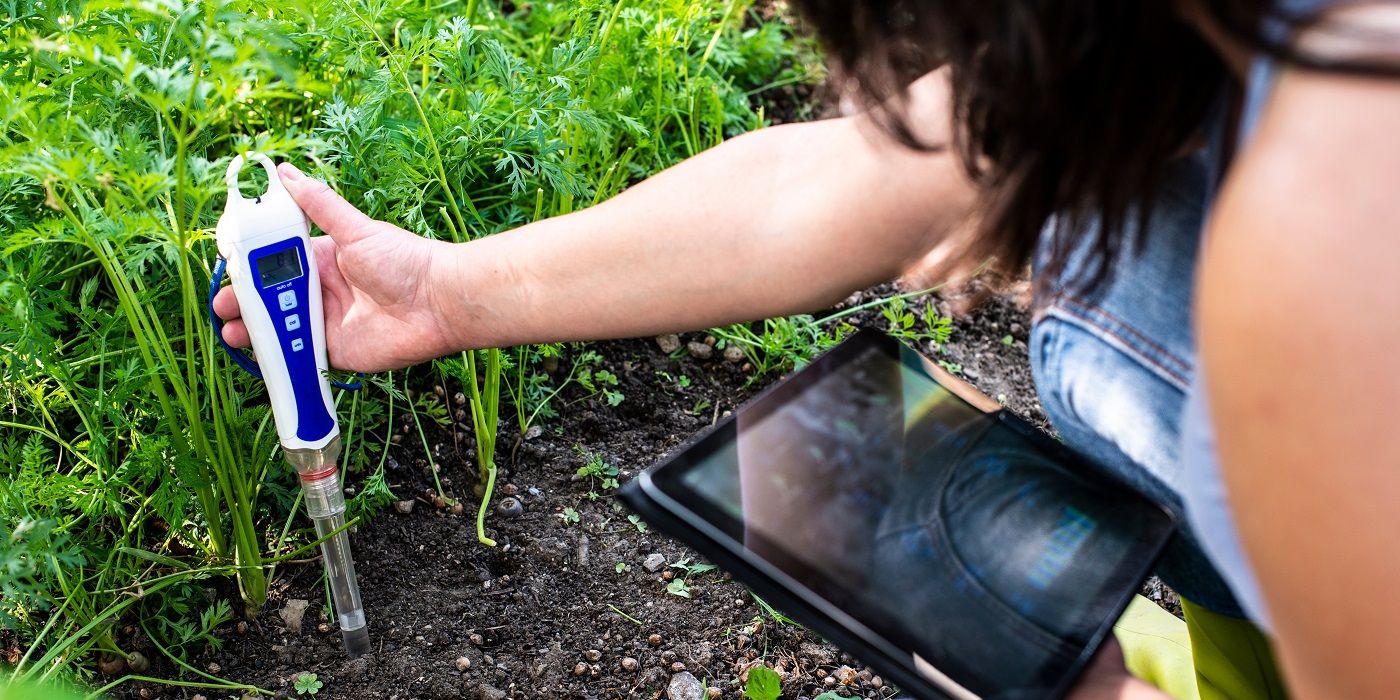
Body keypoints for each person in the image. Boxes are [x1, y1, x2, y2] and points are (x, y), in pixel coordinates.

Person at [215, 1, 1400, 697]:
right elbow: (843, 179)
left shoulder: (1321, 237)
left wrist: (1080, 690)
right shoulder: (1213, 37)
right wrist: (445, 290)